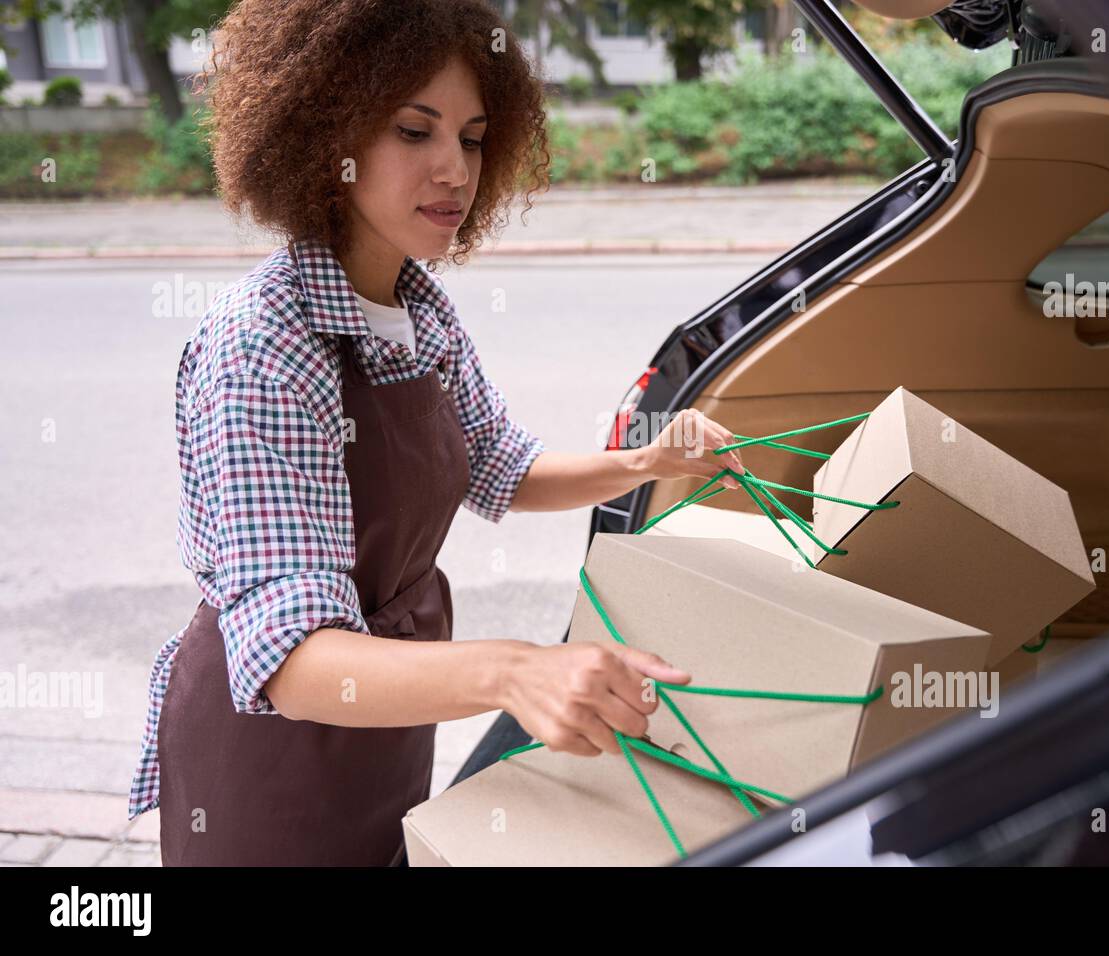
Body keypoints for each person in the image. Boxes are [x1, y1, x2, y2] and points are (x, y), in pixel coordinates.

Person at [126, 0, 746, 866]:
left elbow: (500, 468)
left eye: (473, 137)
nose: (454, 170)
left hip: (393, 707)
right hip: (268, 750)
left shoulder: (419, 308)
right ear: (323, 132)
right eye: (414, 132)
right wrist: (516, 671)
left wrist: (644, 461)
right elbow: (294, 662)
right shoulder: (263, 347)